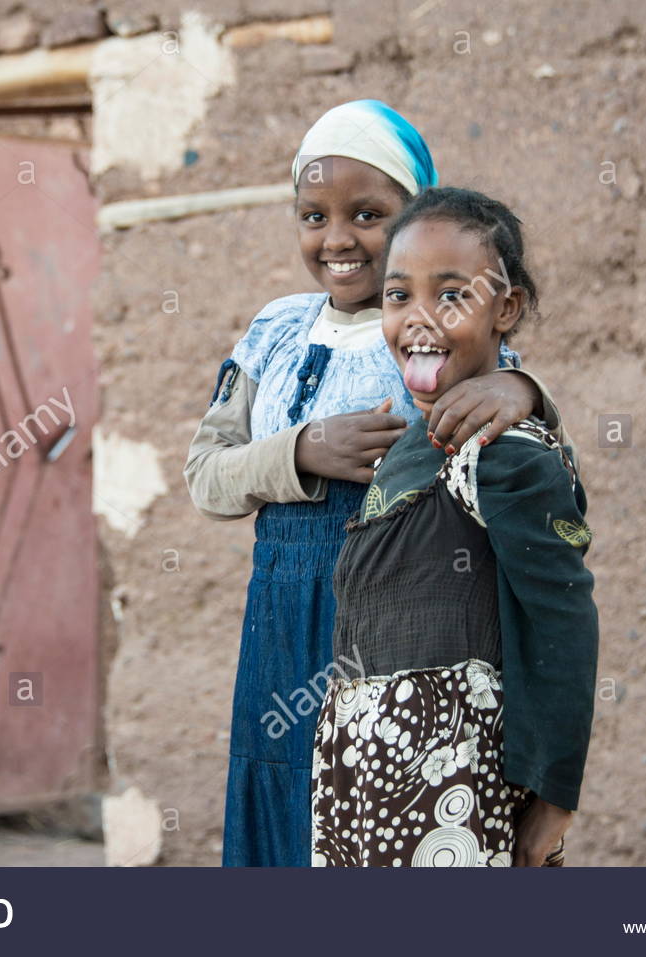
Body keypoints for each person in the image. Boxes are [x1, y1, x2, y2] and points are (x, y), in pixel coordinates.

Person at [185, 100, 569, 867]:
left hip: (397, 618)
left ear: (416, 219)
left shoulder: (434, 329)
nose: (337, 238)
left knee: (376, 804)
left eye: (368, 214)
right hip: (282, 617)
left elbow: (511, 416)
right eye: (313, 216)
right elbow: (206, 475)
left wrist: (524, 390)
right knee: (282, 791)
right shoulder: (276, 333)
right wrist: (301, 450)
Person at [310, 186, 598, 867]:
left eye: (450, 296)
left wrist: (554, 798)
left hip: (451, 790)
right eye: (398, 295)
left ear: (506, 309)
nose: (418, 317)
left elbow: (563, 619)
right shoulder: (416, 442)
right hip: (366, 779)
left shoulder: (503, 450)